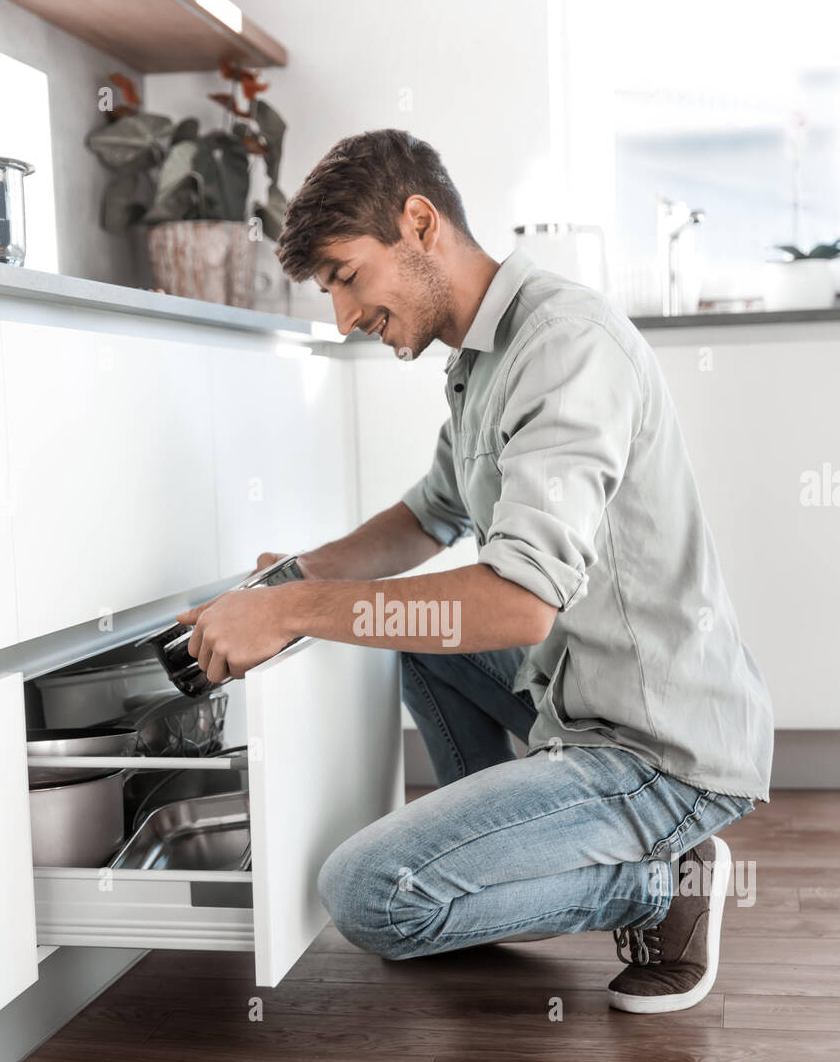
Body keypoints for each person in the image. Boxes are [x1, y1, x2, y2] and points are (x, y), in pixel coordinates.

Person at [178, 128, 774, 1014]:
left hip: (660, 748)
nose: (343, 318)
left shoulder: (565, 346)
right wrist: (286, 581)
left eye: (346, 277)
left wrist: (301, 609)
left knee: (369, 897)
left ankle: (660, 886)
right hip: (582, 700)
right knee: (422, 642)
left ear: (419, 223)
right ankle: (499, 855)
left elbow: (520, 607)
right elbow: (428, 516)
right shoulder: (481, 360)